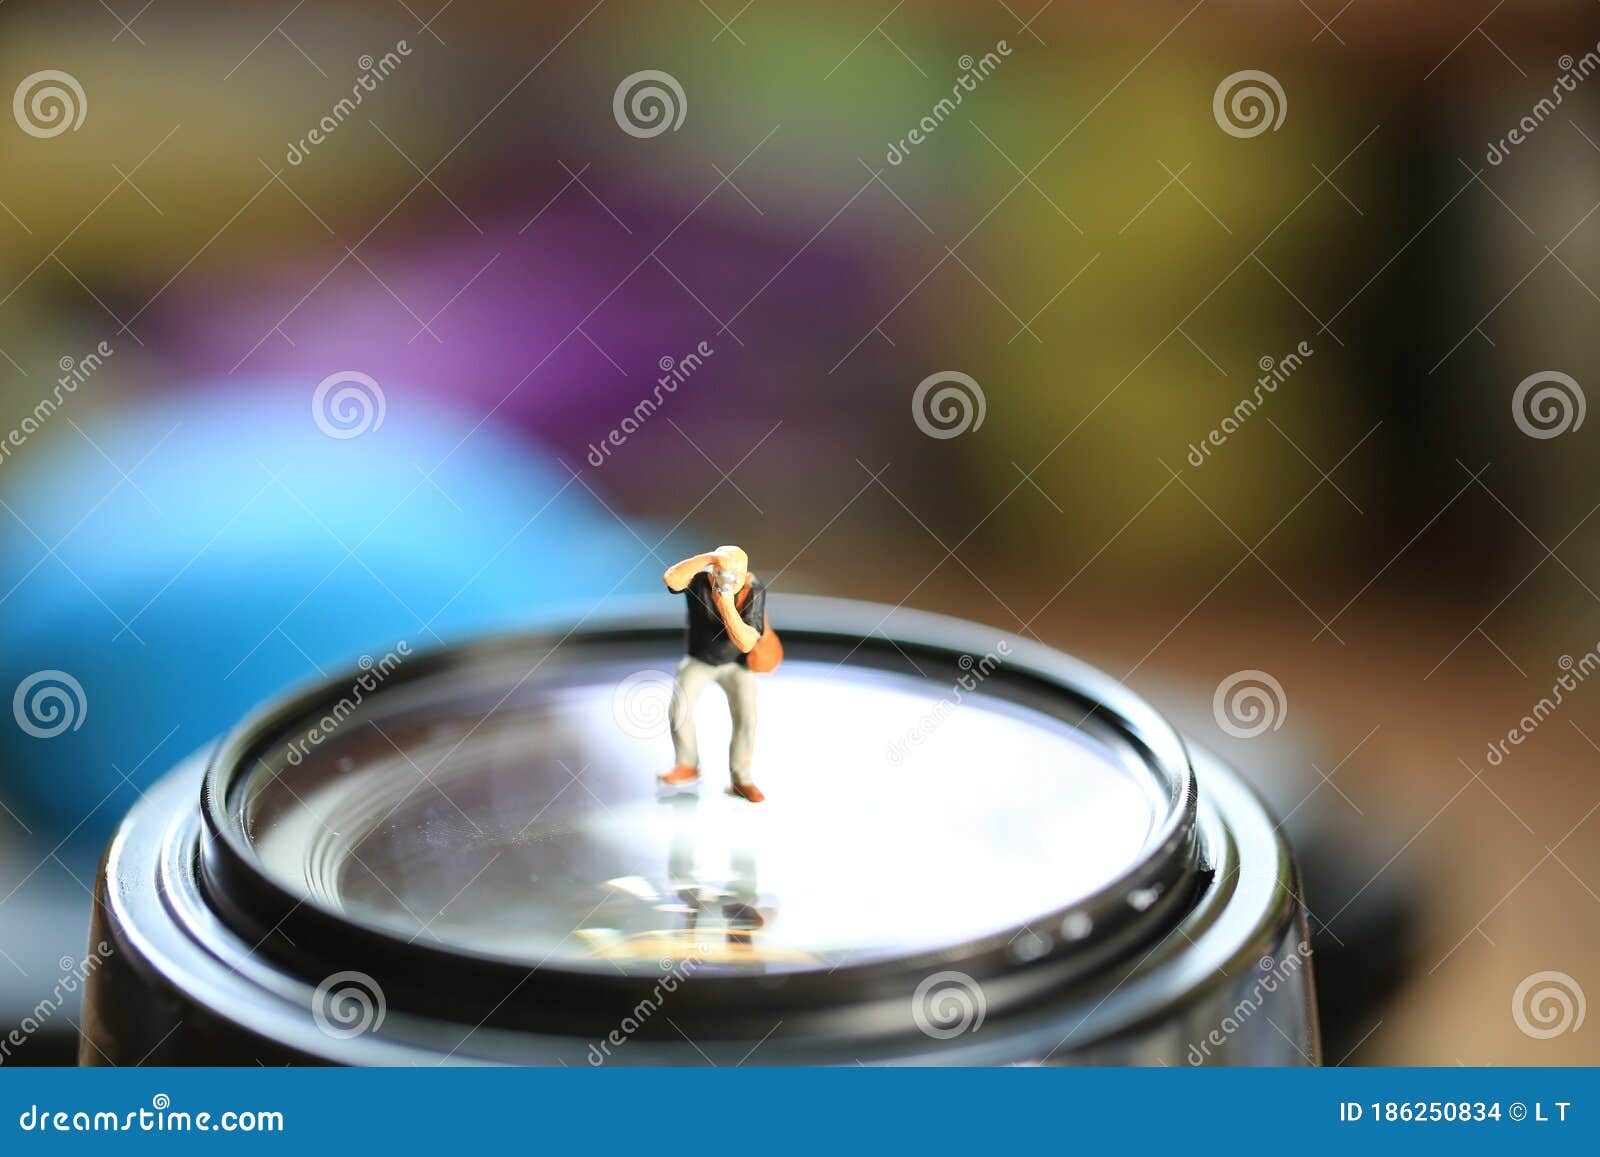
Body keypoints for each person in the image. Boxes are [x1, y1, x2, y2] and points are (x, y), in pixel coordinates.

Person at [659, 545, 769, 802]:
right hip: (700, 658)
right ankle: (687, 764)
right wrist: (709, 558)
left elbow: (746, 643)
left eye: (737, 572)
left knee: (747, 718)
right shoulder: (699, 580)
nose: (732, 578)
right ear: (714, 570)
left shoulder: (752, 588)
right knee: (679, 708)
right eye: (726, 572)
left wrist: (727, 603)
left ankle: (741, 779)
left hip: (736, 664)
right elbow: (671, 579)